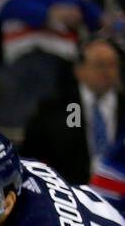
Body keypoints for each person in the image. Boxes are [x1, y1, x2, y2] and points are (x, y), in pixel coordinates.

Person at [22, 38, 123, 185]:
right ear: (79, 70)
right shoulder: (55, 109)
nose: (107, 71)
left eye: (112, 65)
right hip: (71, 193)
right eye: (100, 65)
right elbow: (31, 158)